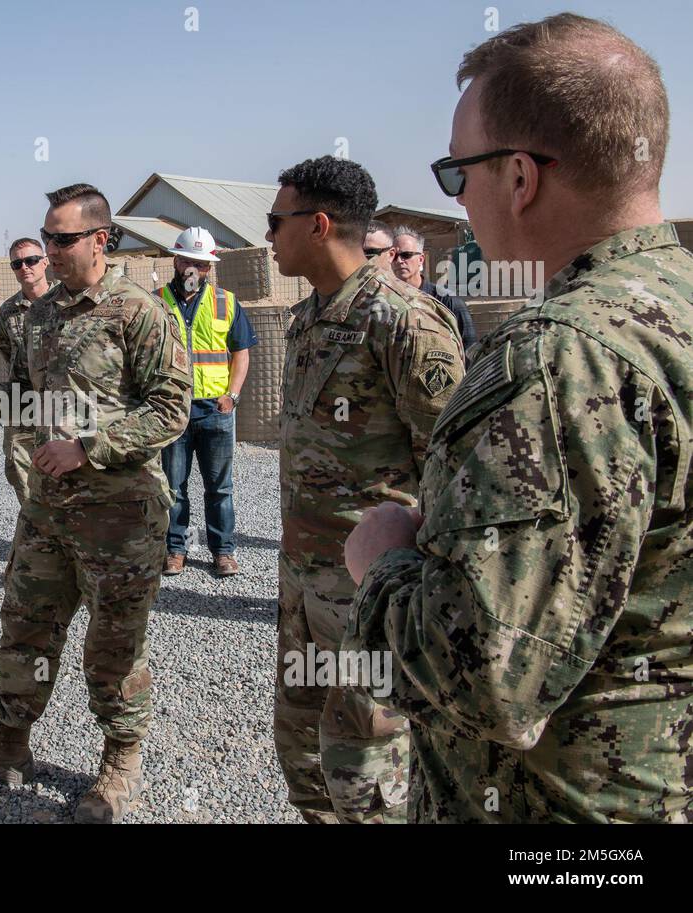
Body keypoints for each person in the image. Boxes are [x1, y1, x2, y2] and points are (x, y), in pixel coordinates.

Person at [345, 13, 693, 823]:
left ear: (519, 178)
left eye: (455, 173)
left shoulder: (555, 358)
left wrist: (384, 563)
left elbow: (485, 678)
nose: (459, 202)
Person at [0, 183, 191, 823]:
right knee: (25, 632)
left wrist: (92, 447)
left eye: (62, 238)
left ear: (101, 240)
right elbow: (29, 404)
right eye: (45, 237)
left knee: (114, 644)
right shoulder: (41, 315)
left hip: (121, 516)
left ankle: (119, 762)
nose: (49, 249)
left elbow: (172, 409)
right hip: (47, 511)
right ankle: (8, 747)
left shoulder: (140, 313)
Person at [267, 155, 465, 824]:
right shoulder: (306, 320)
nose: (268, 235)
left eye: (276, 221)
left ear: (318, 224)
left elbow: (454, 472)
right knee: (302, 754)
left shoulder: (405, 323)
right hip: (303, 587)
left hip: (369, 597)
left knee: (366, 770)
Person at [156, 226, 256, 577]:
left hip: (215, 410)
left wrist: (233, 395)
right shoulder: (156, 303)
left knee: (220, 488)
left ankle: (223, 551)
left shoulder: (226, 303)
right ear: (176, 259)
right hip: (172, 412)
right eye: (187, 261)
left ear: (209, 267)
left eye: (201, 263)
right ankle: (175, 550)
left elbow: (241, 352)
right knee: (173, 487)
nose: (193, 269)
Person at [0, 237, 56, 504]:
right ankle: (37, 536)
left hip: (64, 400)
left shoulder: (67, 301)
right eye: (17, 263)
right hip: (20, 400)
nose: (25, 268)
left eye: (31, 261)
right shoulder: (7, 311)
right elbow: (6, 350)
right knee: (20, 470)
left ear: (45, 262)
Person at [391, 225, 478, 353]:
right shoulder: (384, 301)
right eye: (393, 256)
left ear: (421, 259)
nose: (399, 261)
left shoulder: (448, 302)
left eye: (406, 255)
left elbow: (470, 351)